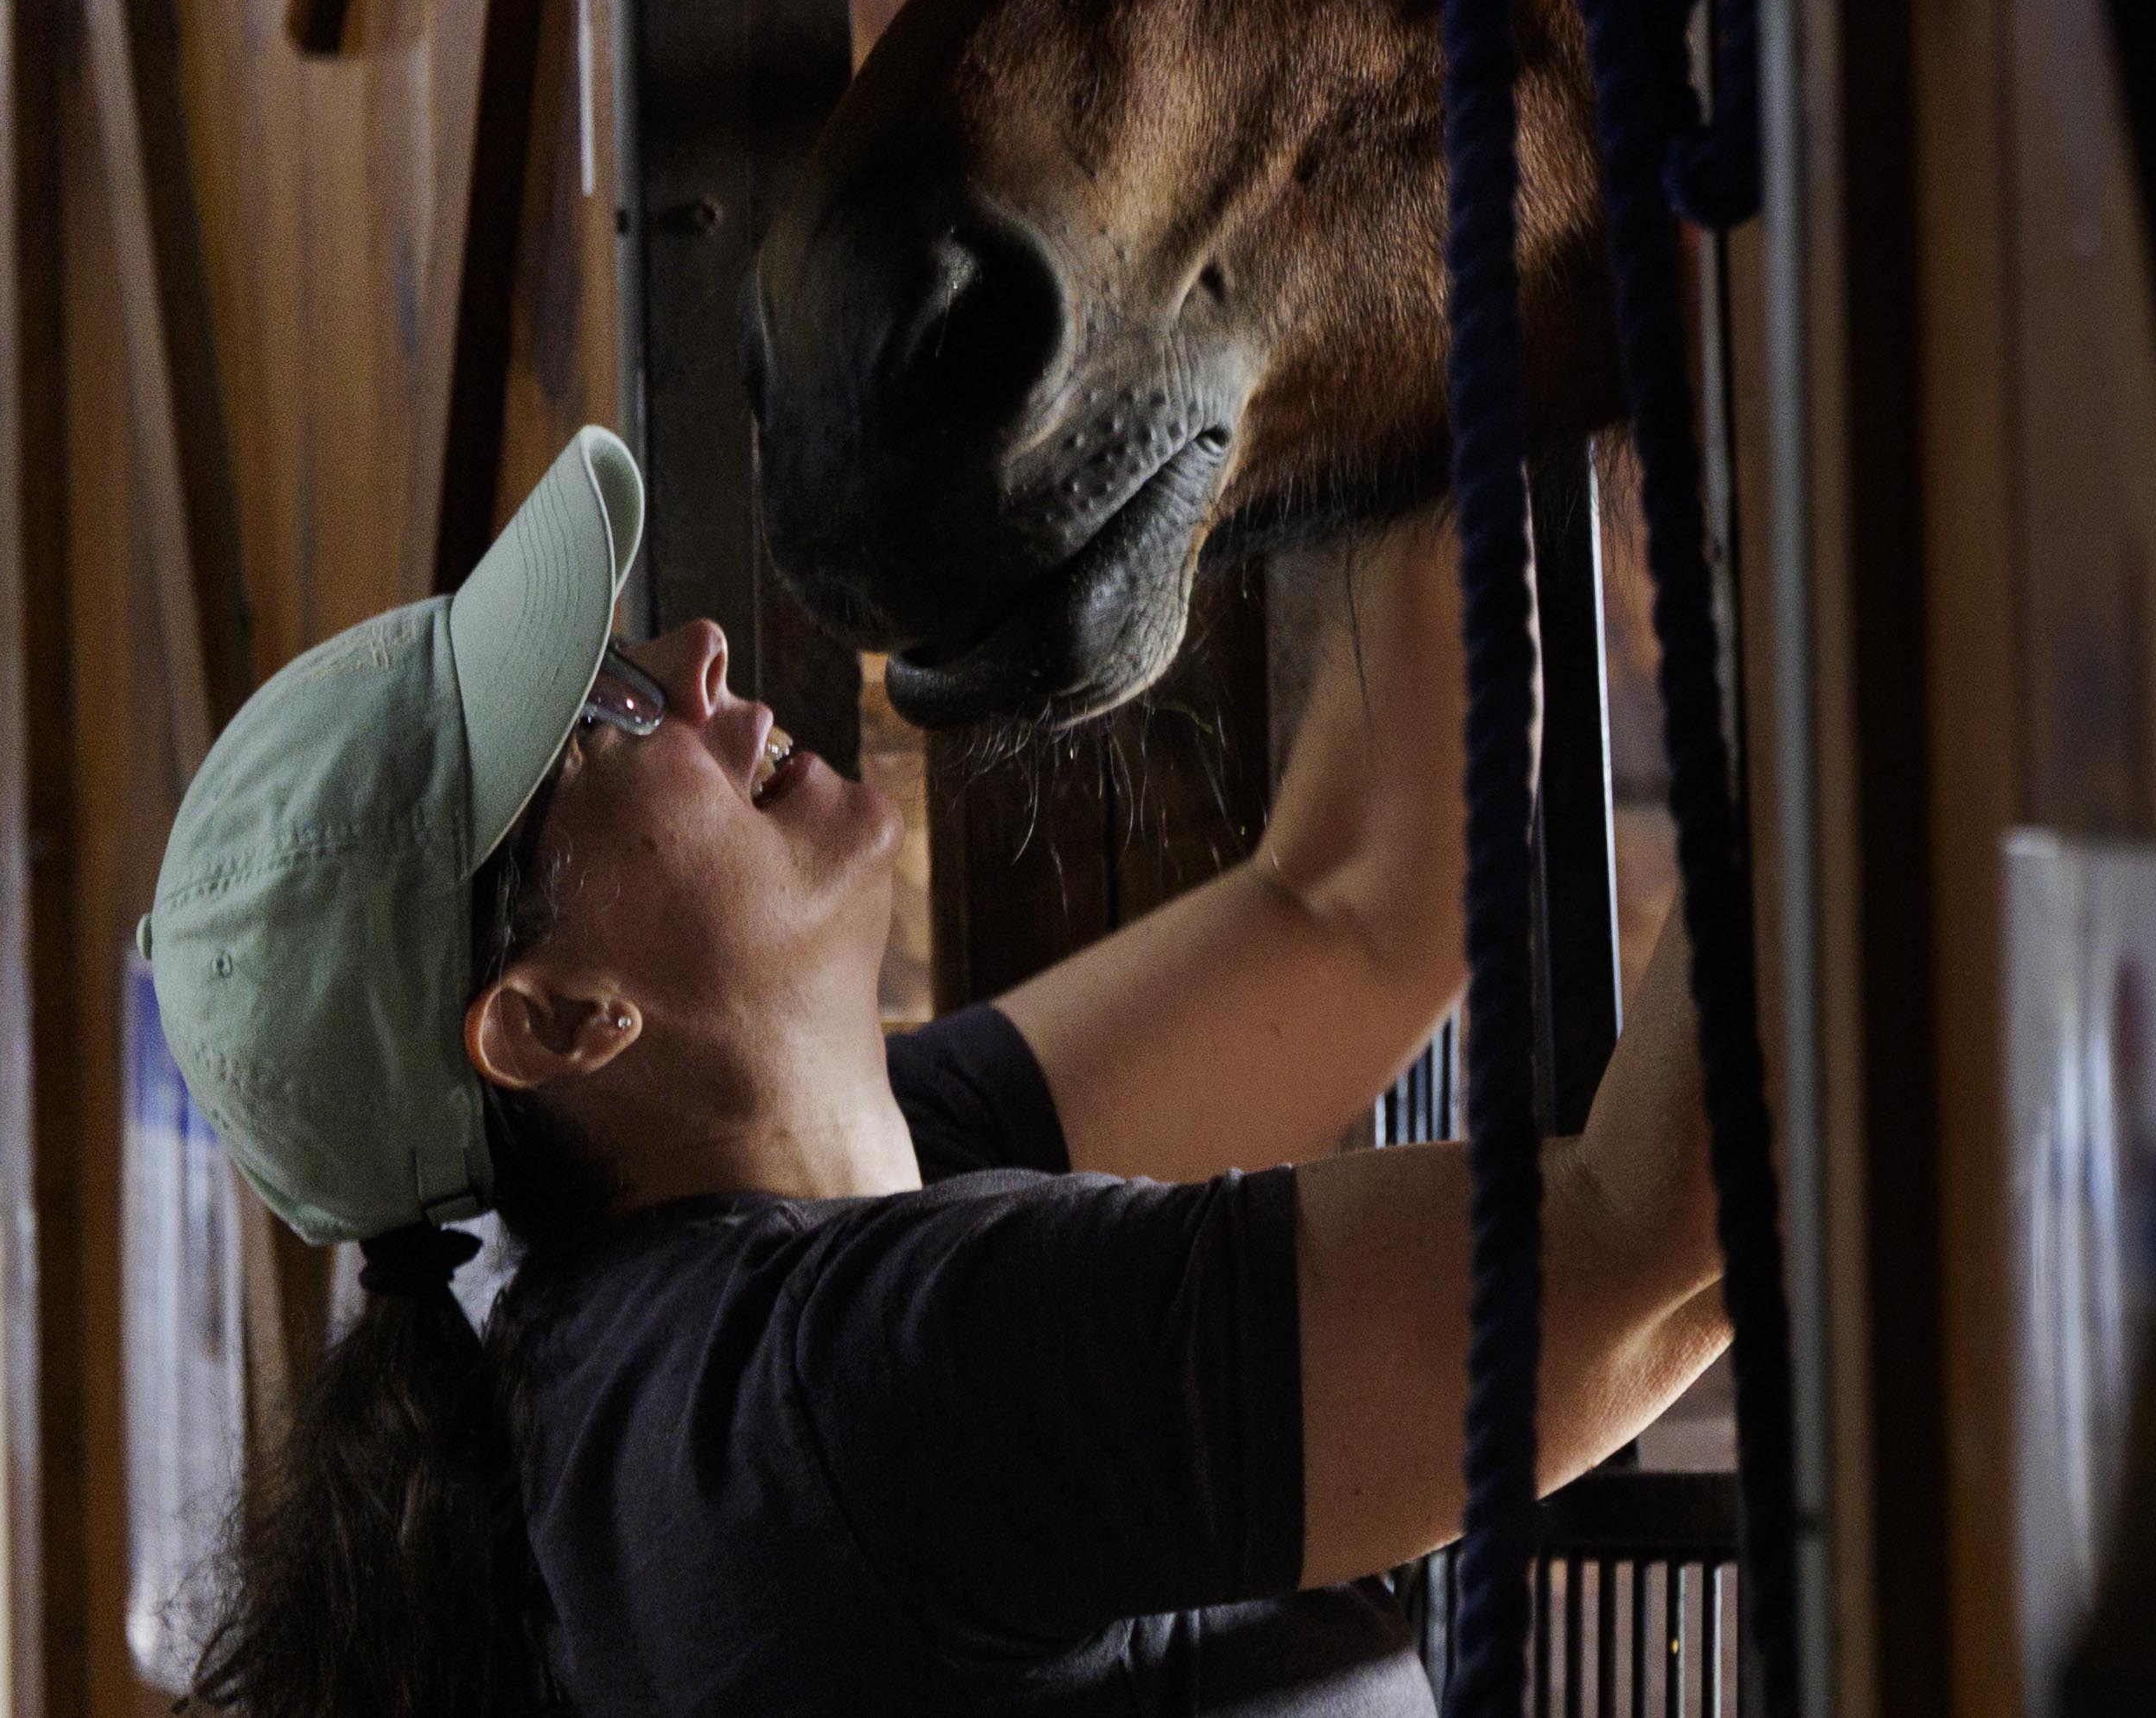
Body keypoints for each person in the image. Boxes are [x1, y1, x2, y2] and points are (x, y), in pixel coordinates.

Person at [149, 424, 1725, 1718]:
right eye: (607, 719)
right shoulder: (844, 1400)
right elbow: (1635, 1253)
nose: (693, 656)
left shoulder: (737, 1258)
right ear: (559, 1022)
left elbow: (1362, 906)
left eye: (626, 652)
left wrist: (1399, 297)